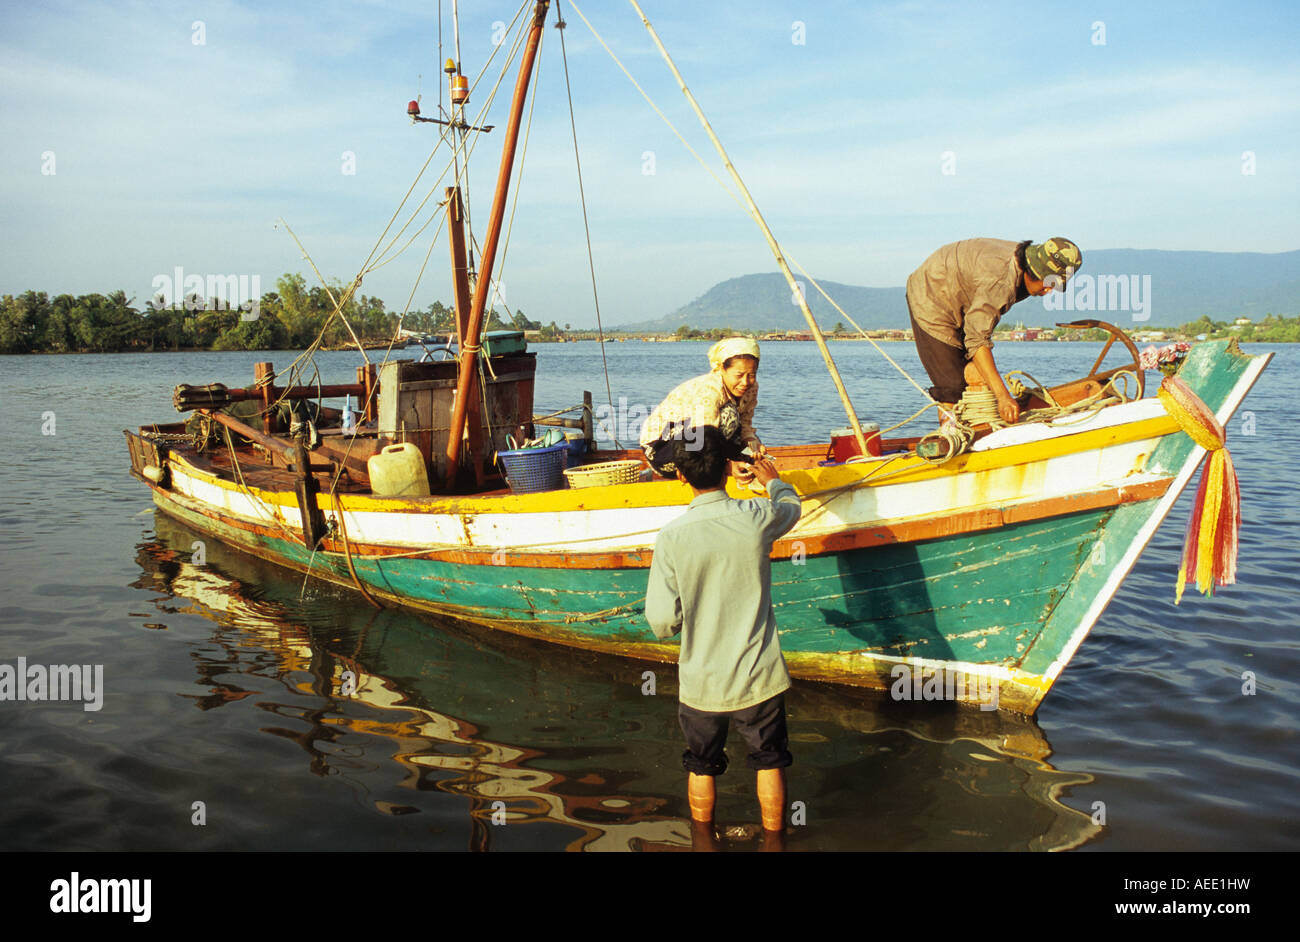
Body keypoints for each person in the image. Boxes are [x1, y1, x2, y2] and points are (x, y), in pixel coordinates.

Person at [644, 425, 802, 839]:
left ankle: (703, 842)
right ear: (730, 469)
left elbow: (662, 623)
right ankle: (772, 841)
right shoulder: (757, 518)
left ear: (681, 476)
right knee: (769, 760)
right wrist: (774, 482)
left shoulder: (672, 537)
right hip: (759, 676)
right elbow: (791, 508)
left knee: (701, 764)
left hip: (701, 682)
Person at [906, 237, 1082, 423]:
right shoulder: (1001, 281)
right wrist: (1003, 396)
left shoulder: (1020, 266)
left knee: (976, 372)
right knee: (953, 387)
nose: (1049, 292)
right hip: (931, 293)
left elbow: (979, 329)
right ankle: (950, 436)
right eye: (1049, 284)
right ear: (1034, 272)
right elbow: (977, 339)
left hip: (962, 294)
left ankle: (978, 427)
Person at [640, 337, 765, 483]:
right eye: (739, 375)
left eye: (751, 375)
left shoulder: (752, 387)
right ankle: (708, 468)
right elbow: (704, 436)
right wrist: (726, 466)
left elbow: (744, 424)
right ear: (722, 369)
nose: (745, 382)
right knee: (729, 415)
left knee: (751, 449)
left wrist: (752, 444)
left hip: (700, 439)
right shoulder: (709, 390)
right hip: (663, 448)